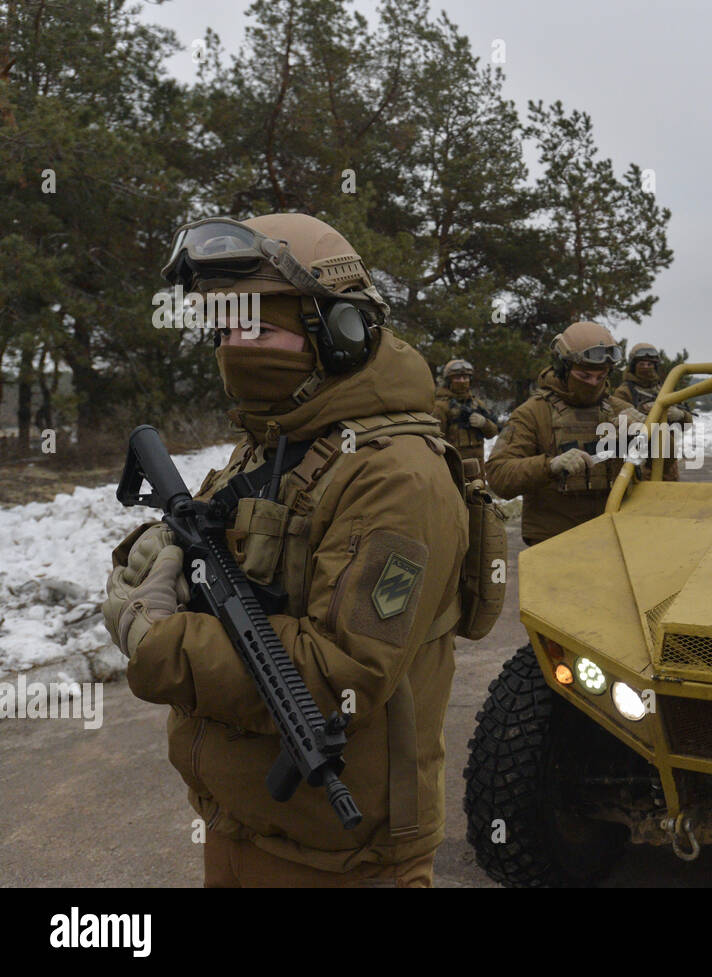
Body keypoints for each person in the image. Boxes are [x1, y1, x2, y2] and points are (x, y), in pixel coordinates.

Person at [100, 213, 468, 887]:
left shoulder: (398, 475)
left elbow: (341, 677)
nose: (235, 346)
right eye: (225, 328)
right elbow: (206, 529)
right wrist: (155, 551)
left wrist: (161, 643)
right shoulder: (278, 436)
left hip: (344, 856)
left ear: (340, 331)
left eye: (258, 326)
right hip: (242, 824)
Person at [485, 321, 643, 546]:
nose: (593, 384)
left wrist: (643, 434)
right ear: (563, 368)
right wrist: (549, 466)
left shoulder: (620, 409)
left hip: (613, 538)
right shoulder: (533, 413)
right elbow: (498, 475)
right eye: (584, 376)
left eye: (601, 376)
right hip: (554, 542)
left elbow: (663, 466)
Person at [612, 341, 692, 481]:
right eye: (642, 364)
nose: (646, 368)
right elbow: (617, 423)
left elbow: (687, 424)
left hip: (668, 463)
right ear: (633, 366)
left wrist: (680, 414)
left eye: (649, 364)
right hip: (641, 463)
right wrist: (642, 415)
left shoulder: (664, 389)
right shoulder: (624, 392)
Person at [433, 358, 499, 469]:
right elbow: (436, 440)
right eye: (458, 378)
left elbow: (492, 433)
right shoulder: (441, 406)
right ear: (449, 381)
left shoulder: (477, 404)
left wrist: (484, 423)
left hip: (478, 467)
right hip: (453, 466)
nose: (462, 381)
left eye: (466, 377)